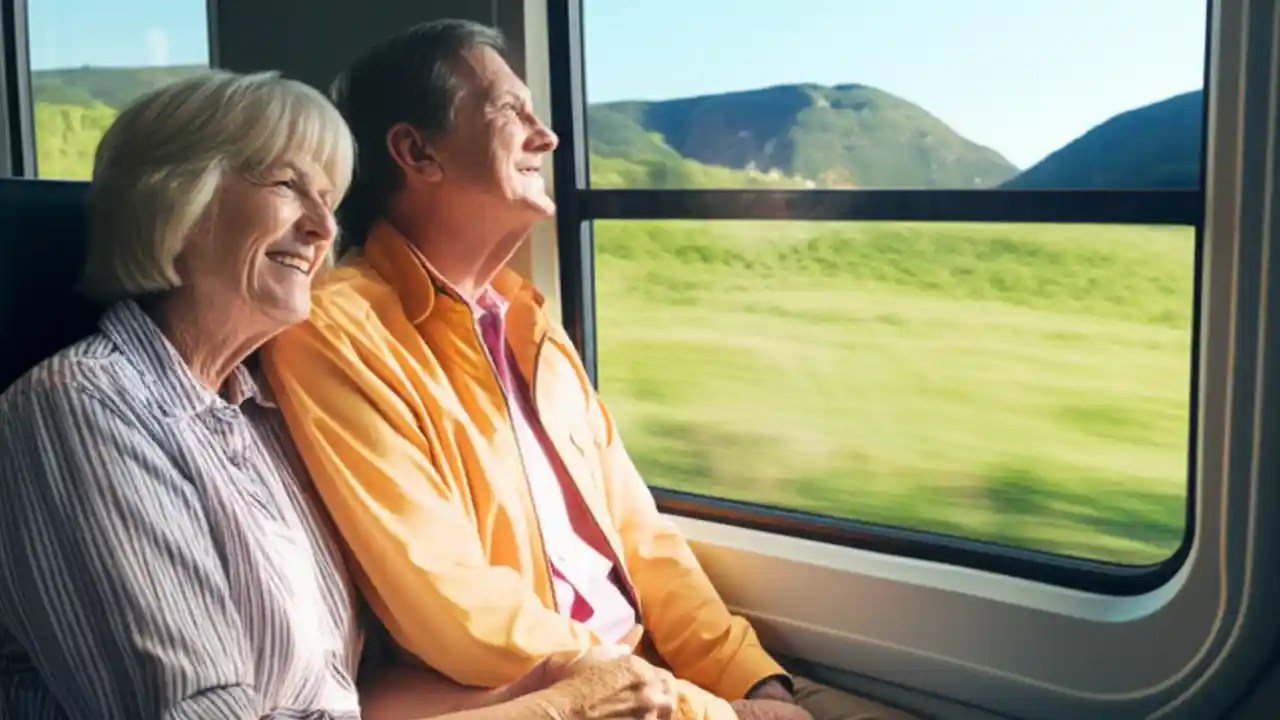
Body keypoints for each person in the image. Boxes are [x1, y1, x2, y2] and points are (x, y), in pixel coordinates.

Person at [261, 19, 916, 720]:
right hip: (581, 697)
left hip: (661, 680)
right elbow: (454, 611)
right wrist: (708, 709)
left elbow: (644, 537)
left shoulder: (527, 321)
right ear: (417, 152)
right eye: (511, 111)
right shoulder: (337, 331)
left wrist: (751, 679)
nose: (547, 136)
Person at [0, 70, 677, 720]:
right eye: (288, 185)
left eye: (328, 199)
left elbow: (348, 698)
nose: (324, 230)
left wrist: (552, 682)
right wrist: (558, 710)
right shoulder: (83, 407)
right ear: (178, 199)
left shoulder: (262, 417)